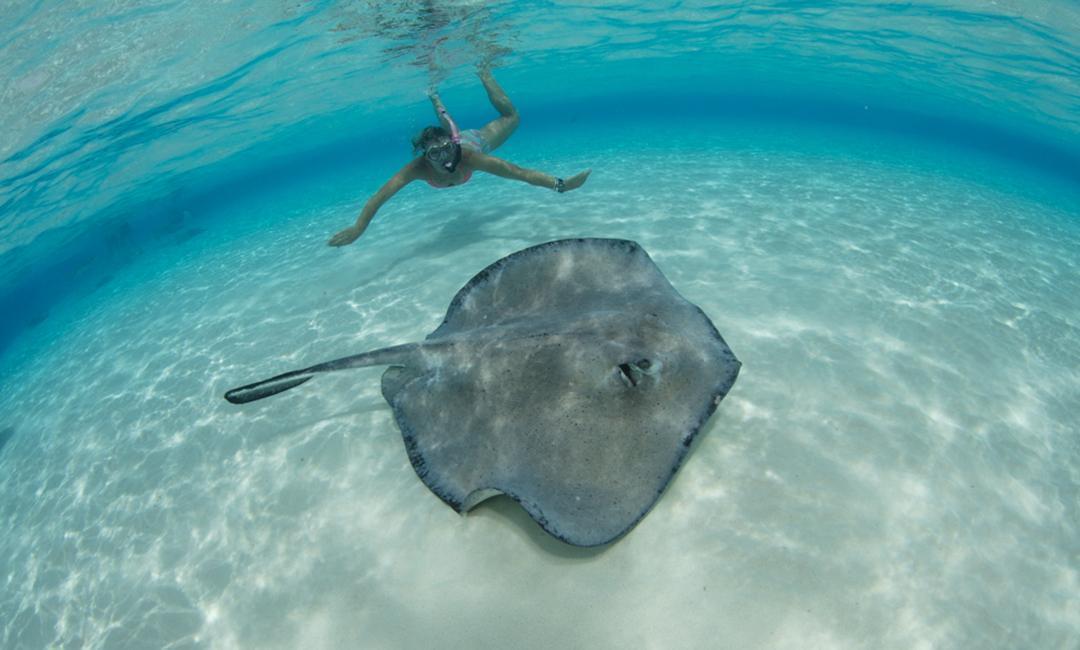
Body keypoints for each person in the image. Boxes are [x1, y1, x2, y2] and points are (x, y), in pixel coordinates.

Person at [328, 69, 591, 247]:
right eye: (434, 154)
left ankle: (484, 73)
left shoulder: (468, 156)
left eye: (446, 149)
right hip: (457, 139)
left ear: (452, 144)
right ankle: (436, 98)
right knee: (472, 120)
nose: (445, 158)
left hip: (474, 140)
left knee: (513, 117)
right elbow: (379, 198)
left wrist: (561, 185)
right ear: (425, 157)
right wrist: (358, 228)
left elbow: (518, 173)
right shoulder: (418, 169)